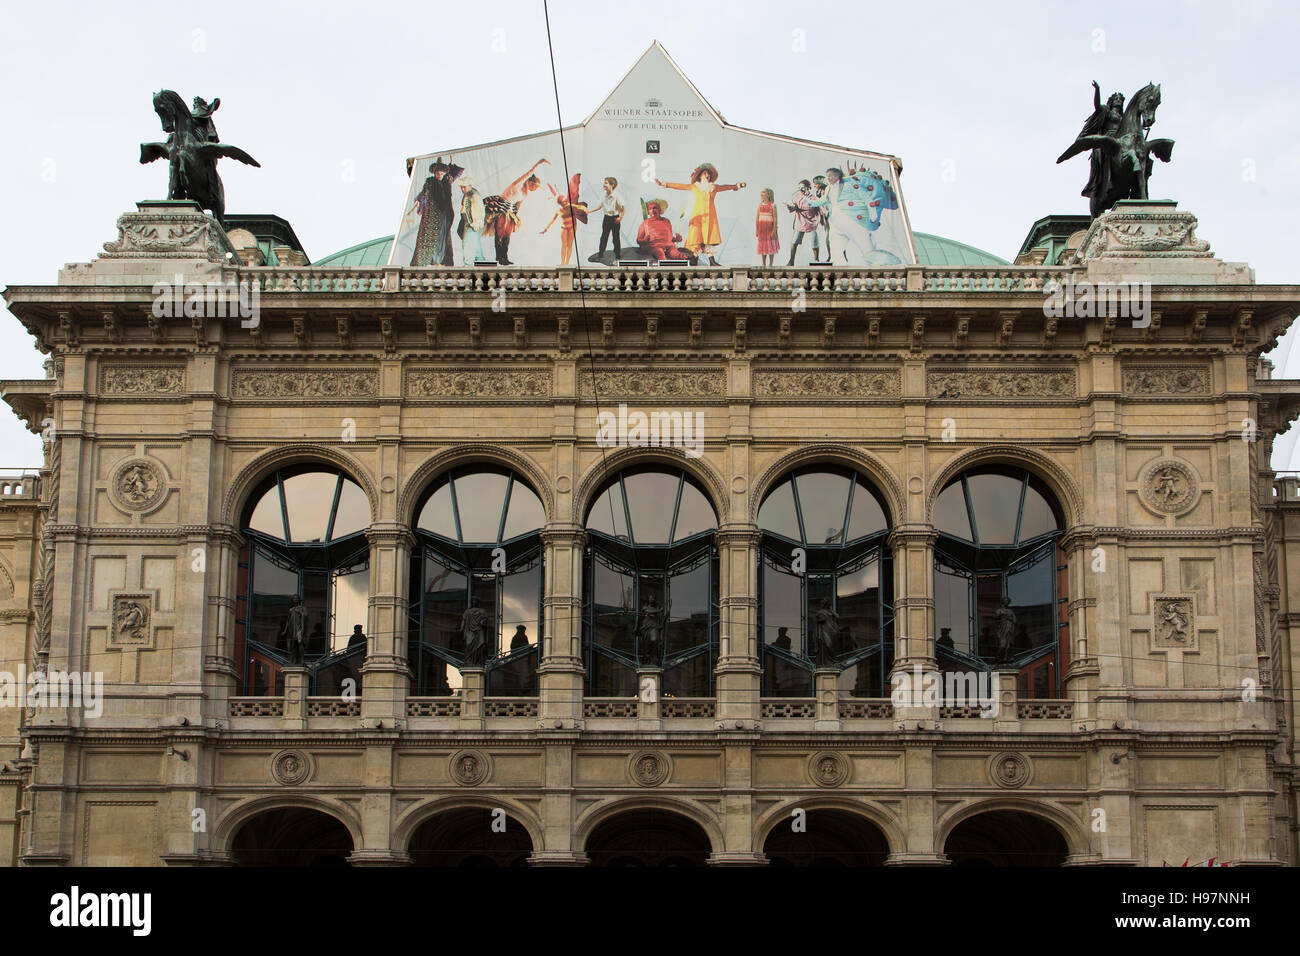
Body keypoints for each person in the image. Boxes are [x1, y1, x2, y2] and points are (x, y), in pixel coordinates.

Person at [654, 163, 746, 265]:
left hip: (710, 218)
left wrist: (737, 186)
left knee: (709, 238)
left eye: (709, 174)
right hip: (698, 217)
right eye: (705, 173)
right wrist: (665, 184)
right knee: (697, 237)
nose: (707, 175)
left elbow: (725, 187)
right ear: (700, 175)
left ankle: (711, 261)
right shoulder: (696, 187)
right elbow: (681, 186)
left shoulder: (713, 187)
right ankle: (694, 258)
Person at [482, 158, 550, 265]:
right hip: (500, 205)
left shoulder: (525, 194)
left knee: (507, 232)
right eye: (535, 187)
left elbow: (517, 207)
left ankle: (504, 256)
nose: (534, 190)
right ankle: (499, 256)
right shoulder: (518, 185)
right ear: (531, 183)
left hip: (509, 209)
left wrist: (515, 217)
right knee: (500, 230)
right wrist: (539, 163)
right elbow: (528, 173)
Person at [408, 157, 464, 266]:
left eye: (442, 173)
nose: (440, 175)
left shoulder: (446, 181)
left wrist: (451, 163)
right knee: (430, 236)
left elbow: (452, 175)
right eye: (438, 173)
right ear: (435, 173)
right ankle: (429, 260)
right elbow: (423, 194)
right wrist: (419, 201)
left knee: (442, 236)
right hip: (432, 215)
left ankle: (439, 260)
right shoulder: (429, 182)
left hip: (444, 214)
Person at [540, 174, 594, 265]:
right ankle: (562, 263)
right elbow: (552, 221)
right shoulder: (559, 211)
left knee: (570, 245)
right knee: (564, 245)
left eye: (565, 200)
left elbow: (579, 206)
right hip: (564, 228)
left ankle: (567, 262)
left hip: (572, 226)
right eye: (564, 201)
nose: (566, 202)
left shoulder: (569, 206)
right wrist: (545, 229)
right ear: (560, 203)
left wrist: (584, 209)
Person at [785, 180, 821, 265]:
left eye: (802, 187)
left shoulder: (813, 197)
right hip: (800, 220)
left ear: (808, 187)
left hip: (812, 221)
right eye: (799, 187)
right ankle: (791, 260)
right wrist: (790, 207)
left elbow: (818, 207)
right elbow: (794, 207)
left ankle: (817, 259)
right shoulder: (796, 196)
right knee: (795, 240)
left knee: (814, 240)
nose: (800, 189)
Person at [593, 177, 626, 263]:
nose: (604, 185)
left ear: (612, 185)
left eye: (606, 183)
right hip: (606, 218)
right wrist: (589, 211)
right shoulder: (603, 196)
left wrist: (620, 218)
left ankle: (618, 256)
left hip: (615, 218)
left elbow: (623, 207)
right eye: (604, 183)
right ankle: (600, 255)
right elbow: (599, 206)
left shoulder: (617, 196)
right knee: (604, 237)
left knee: (615, 238)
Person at [456, 176, 486, 265]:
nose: (462, 189)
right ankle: (483, 271)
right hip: (469, 224)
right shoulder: (468, 194)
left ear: (470, 185)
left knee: (468, 247)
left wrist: (475, 224)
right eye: (461, 187)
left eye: (464, 187)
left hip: (472, 225)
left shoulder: (474, 195)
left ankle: (468, 269)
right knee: (477, 250)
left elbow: (478, 211)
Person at [755, 188, 779, 267]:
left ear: (768, 195)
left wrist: (774, 230)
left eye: (764, 192)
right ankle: (763, 263)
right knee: (763, 246)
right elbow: (757, 218)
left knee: (770, 245)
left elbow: (775, 219)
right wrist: (757, 229)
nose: (761, 194)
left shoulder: (772, 205)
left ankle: (771, 264)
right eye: (761, 193)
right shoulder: (760, 205)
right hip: (762, 229)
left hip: (769, 228)